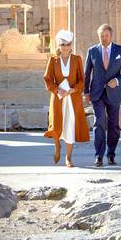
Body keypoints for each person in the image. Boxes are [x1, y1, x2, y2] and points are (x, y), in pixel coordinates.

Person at [84, 23, 121, 166]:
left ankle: (111, 154)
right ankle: (98, 156)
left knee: (114, 126)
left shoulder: (120, 50)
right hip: (97, 94)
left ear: (111, 36)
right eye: (101, 36)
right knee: (99, 123)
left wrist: (117, 80)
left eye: (106, 35)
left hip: (114, 94)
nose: (103, 38)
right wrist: (86, 92)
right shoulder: (92, 51)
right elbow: (87, 74)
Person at [43, 30, 89, 167]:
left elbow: (82, 80)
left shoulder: (77, 59)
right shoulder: (53, 60)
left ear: (71, 45)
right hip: (58, 99)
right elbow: (47, 80)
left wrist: (74, 89)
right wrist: (58, 90)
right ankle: (57, 146)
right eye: (62, 44)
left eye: (68, 44)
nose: (65, 47)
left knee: (70, 126)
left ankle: (68, 158)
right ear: (59, 45)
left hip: (72, 99)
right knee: (57, 125)